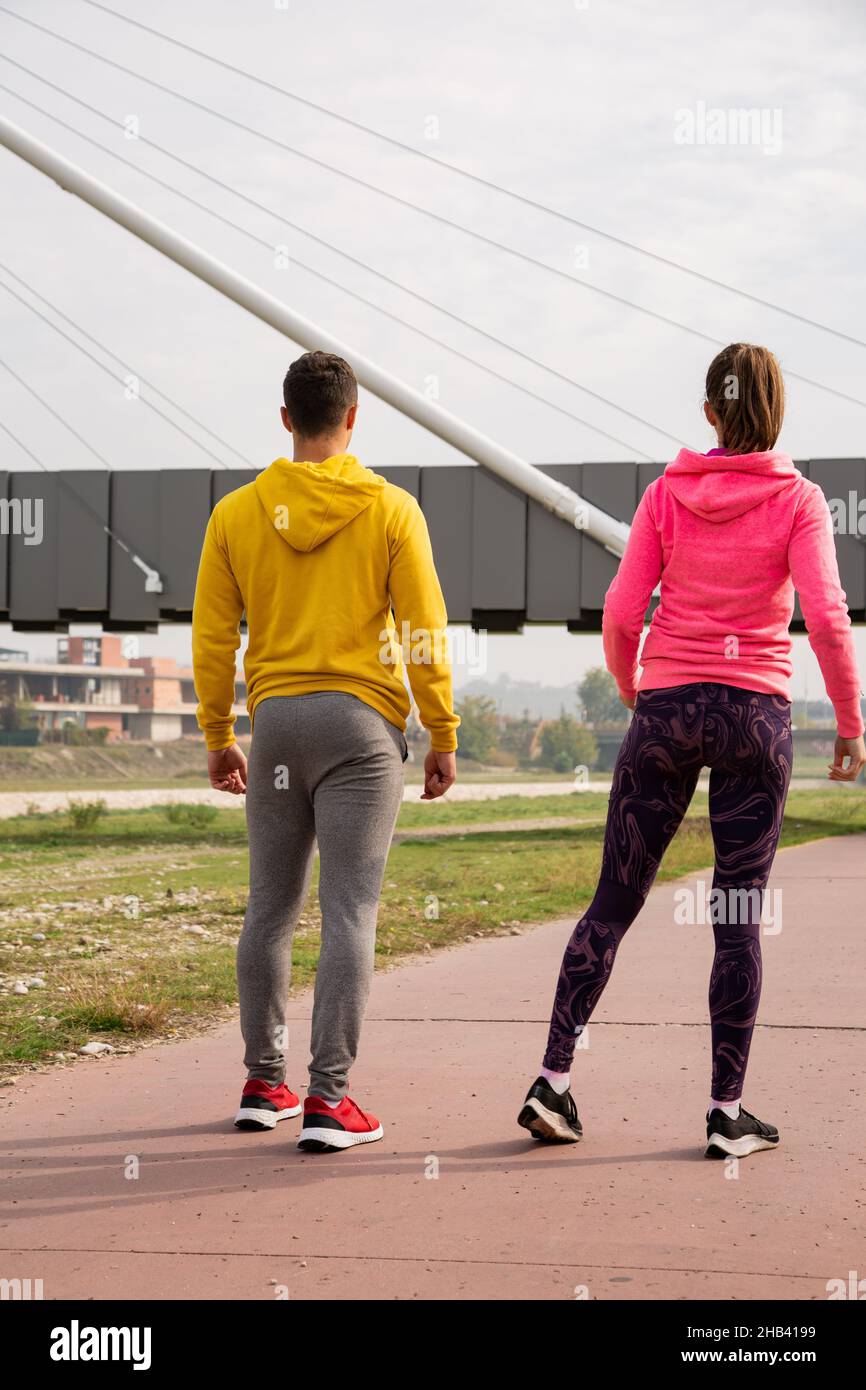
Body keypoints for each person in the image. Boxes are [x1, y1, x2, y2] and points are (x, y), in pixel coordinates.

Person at [518, 342, 866, 1158]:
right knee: (737, 918)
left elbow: (619, 611)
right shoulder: (800, 499)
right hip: (756, 716)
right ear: (778, 413)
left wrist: (637, 686)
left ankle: (554, 1083)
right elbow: (825, 616)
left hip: (667, 710)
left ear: (710, 410)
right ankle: (725, 1112)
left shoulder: (665, 495)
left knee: (612, 901)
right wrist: (850, 724)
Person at [192, 350, 458, 1153]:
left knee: (269, 906)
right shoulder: (392, 509)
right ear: (352, 418)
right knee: (350, 909)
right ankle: (329, 1100)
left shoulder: (236, 512)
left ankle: (262, 1081)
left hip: (274, 726)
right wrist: (442, 731)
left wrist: (217, 734)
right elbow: (422, 632)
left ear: (285, 420)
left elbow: (211, 636)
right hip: (359, 732)